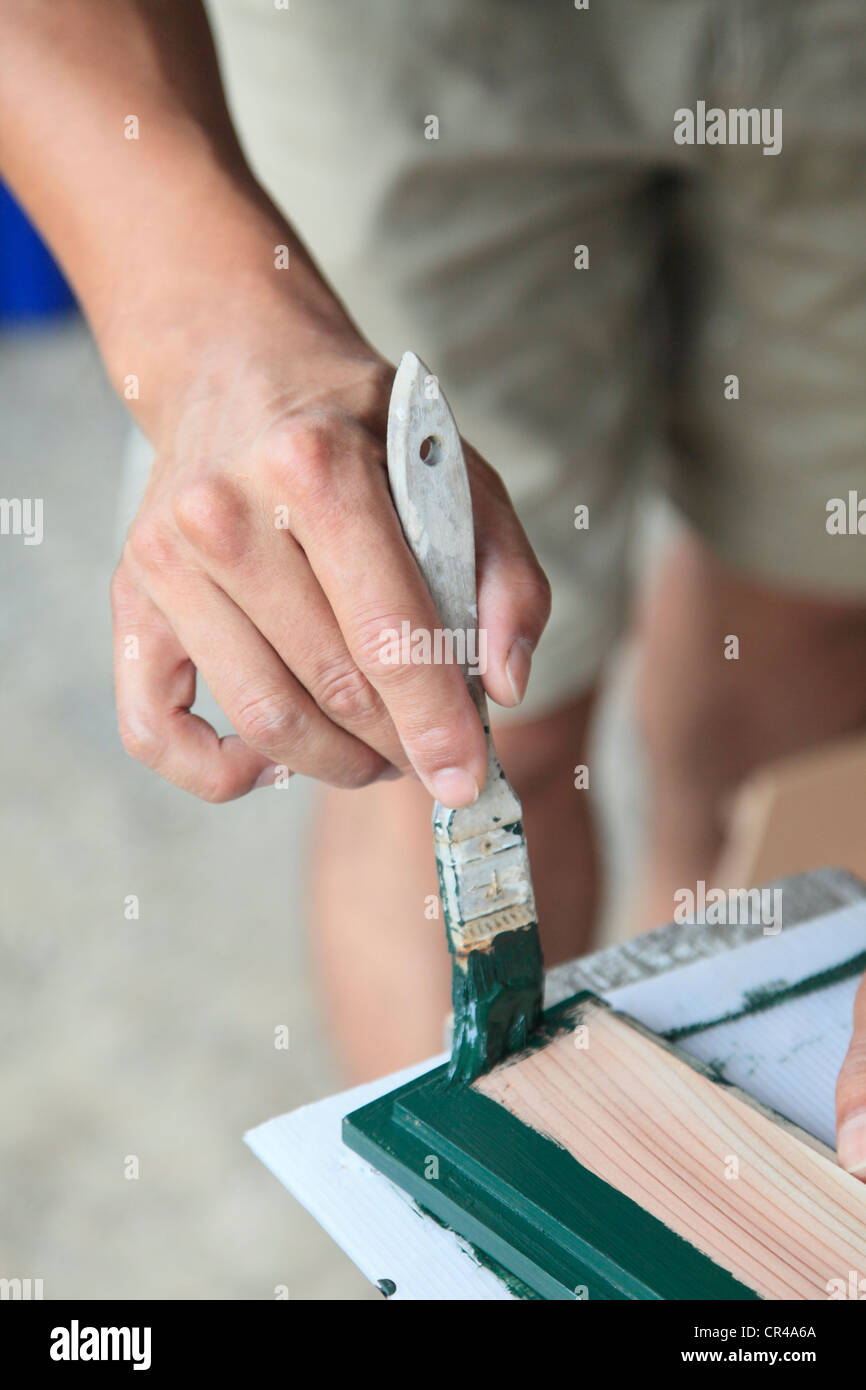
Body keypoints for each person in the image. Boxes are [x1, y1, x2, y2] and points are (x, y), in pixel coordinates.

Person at [2, 0, 865, 1179]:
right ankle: (477, 1200)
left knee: (818, 611)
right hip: (386, 43)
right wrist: (209, 327)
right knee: (407, 705)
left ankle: (716, 1117)